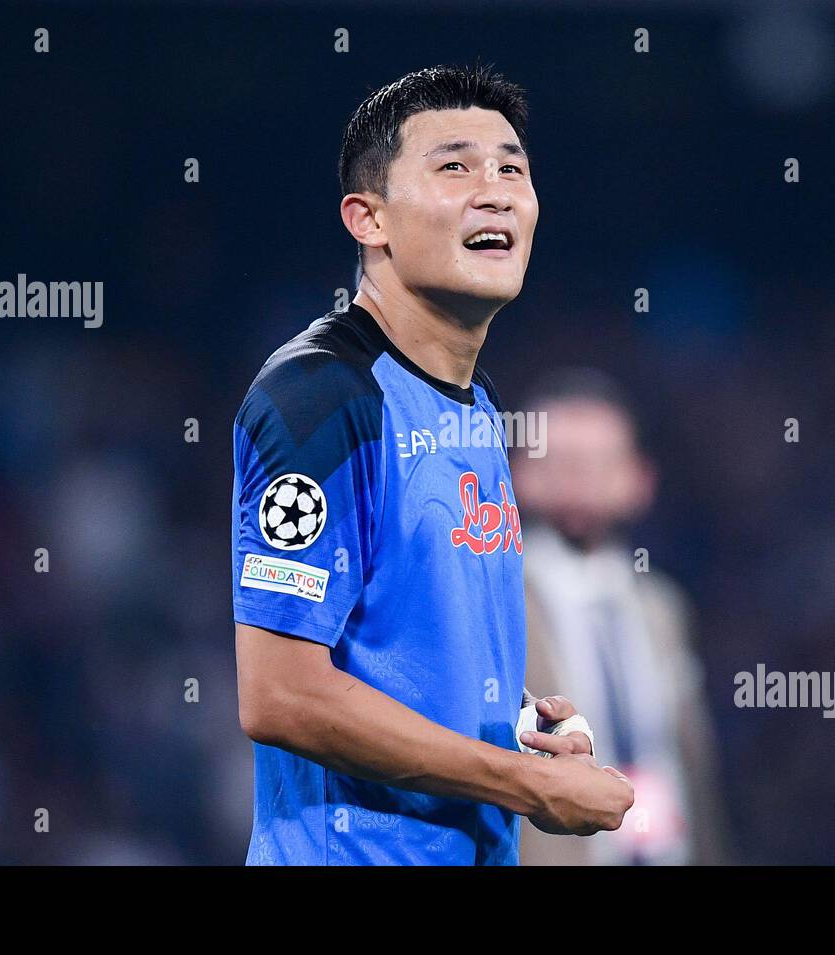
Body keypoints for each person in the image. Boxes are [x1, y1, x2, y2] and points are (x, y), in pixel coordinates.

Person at [231, 64, 633, 865]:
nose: (496, 190)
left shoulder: (475, 404)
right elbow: (281, 693)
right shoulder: (323, 398)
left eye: (512, 168)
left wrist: (515, 724)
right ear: (368, 217)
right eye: (455, 166)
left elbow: (389, 651)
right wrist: (521, 784)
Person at [515, 370, 731, 865]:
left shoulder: (661, 608)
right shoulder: (498, 600)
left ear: (639, 478)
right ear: (519, 471)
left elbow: (690, 762)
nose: (580, 476)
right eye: (562, 460)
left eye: (600, 461)